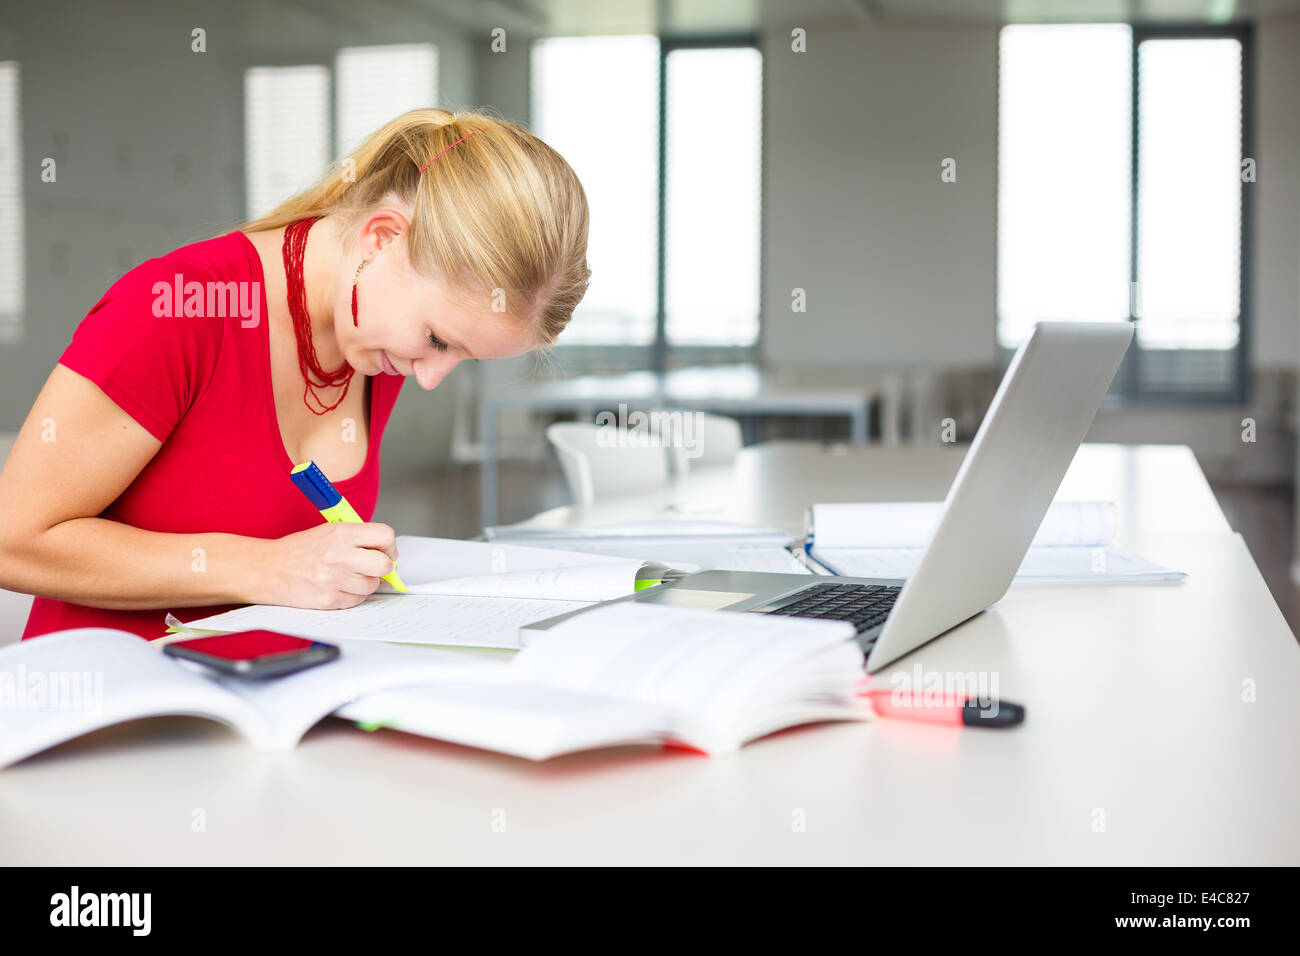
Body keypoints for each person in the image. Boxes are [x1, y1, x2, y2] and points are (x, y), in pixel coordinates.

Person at [0, 107, 592, 639]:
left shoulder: (372, 338)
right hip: (107, 726)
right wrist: (265, 567)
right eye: (438, 340)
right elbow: (14, 542)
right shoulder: (177, 307)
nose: (429, 377)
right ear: (381, 239)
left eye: (461, 356)